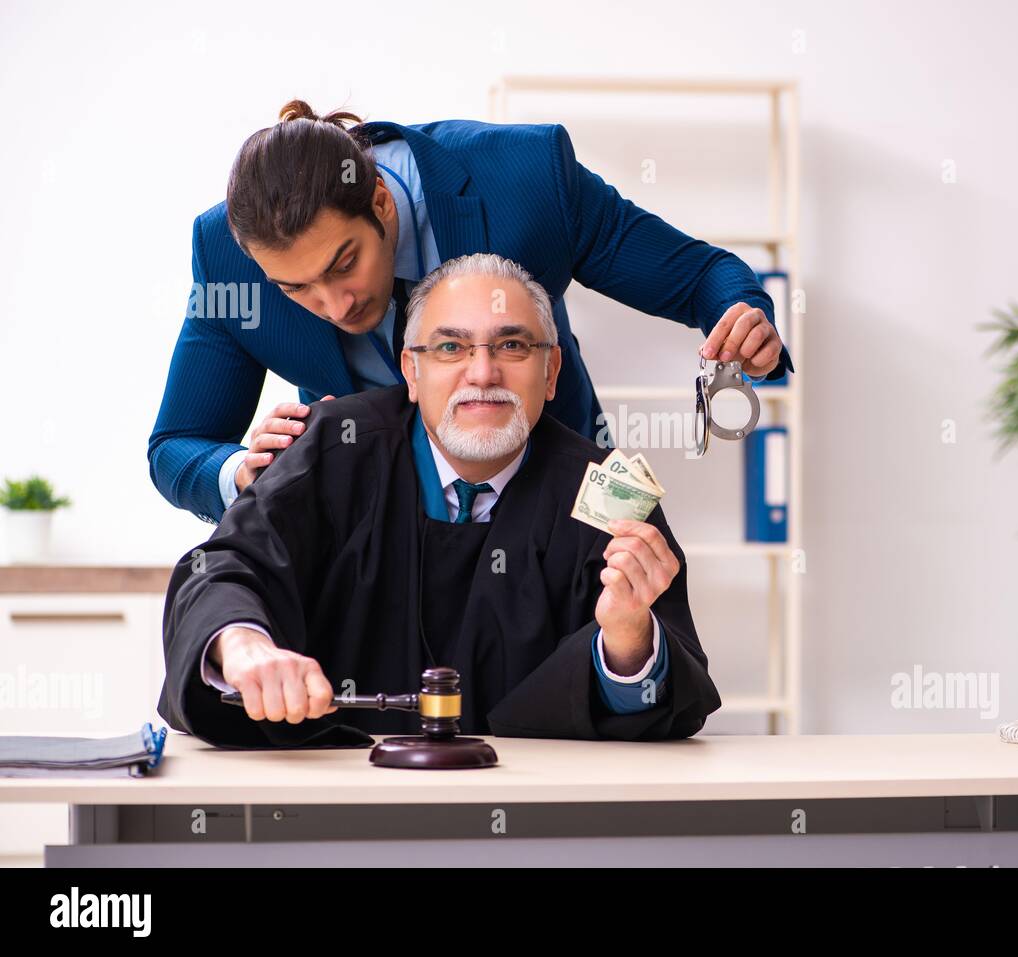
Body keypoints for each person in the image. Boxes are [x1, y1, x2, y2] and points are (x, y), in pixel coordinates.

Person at [157, 253, 721, 748]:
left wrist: (626, 643)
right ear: (411, 369)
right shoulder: (333, 446)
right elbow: (224, 567)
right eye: (450, 346)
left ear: (551, 373)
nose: (482, 373)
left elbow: (664, 697)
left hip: (536, 819)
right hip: (335, 803)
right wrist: (242, 645)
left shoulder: (609, 495)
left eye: (513, 345)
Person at [149, 99, 794, 524]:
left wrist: (740, 315)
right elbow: (176, 448)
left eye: (344, 264)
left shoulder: (524, 181)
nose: (333, 305)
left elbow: (701, 275)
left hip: (558, 508)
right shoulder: (228, 257)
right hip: (374, 535)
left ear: (378, 201)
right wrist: (239, 471)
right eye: (297, 290)